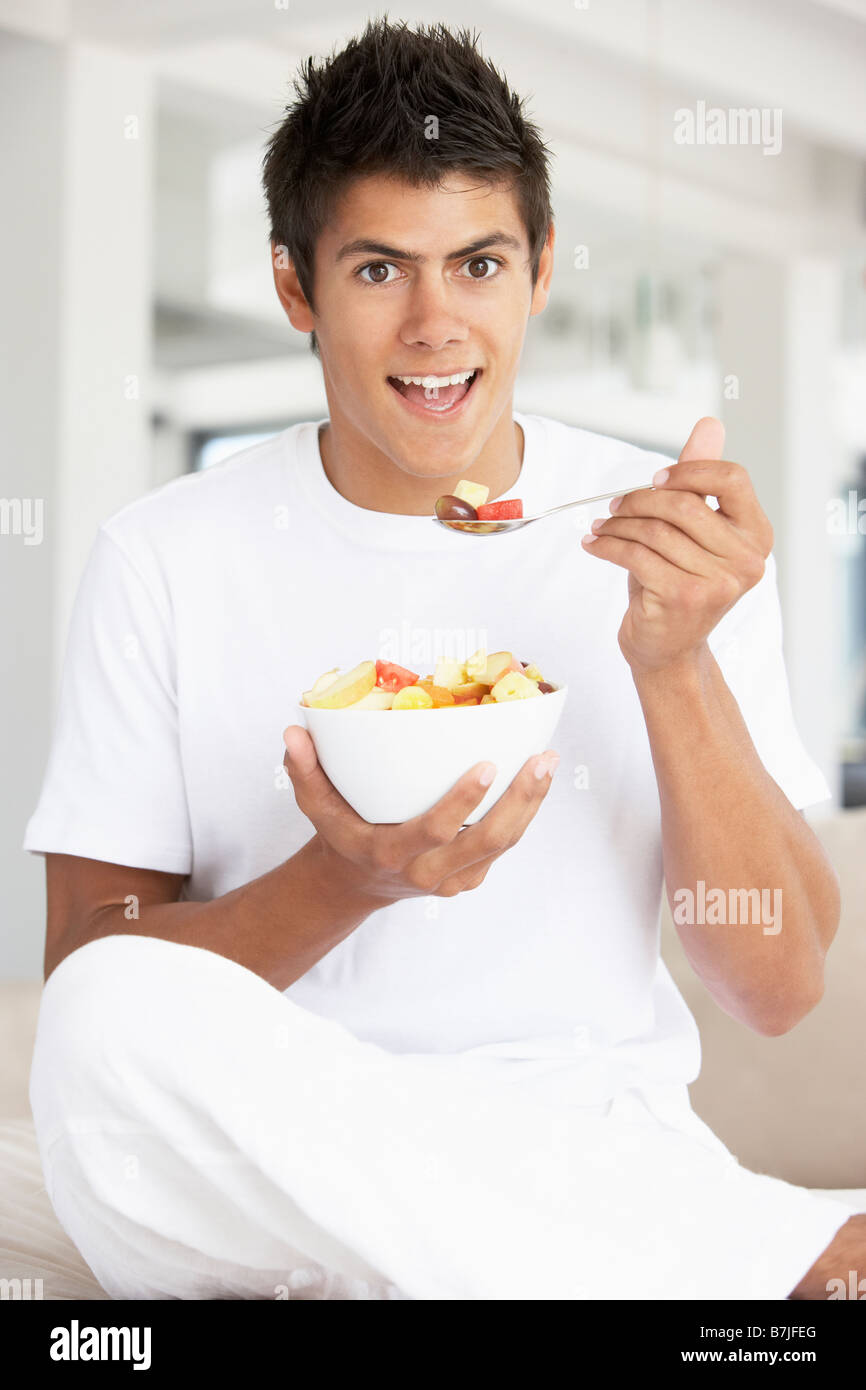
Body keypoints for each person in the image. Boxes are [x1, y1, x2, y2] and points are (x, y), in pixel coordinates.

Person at [24, 18, 863, 1301]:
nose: (433, 323)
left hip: (581, 1144)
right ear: (296, 287)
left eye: (475, 262)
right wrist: (345, 879)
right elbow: (92, 956)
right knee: (94, 1020)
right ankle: (752, 1259)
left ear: (535, 273)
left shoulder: (660, 536)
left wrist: (673, 665)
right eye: (376, 271)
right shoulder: (164, 556)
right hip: (268, 1165)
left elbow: (781, 987)